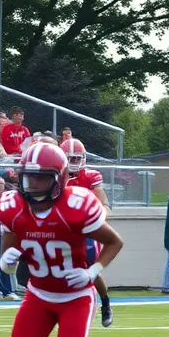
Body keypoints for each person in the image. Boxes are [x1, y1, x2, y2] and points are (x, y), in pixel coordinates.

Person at [0, 142, 124, 337]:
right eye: (29, 177)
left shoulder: (78, 204)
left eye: (41, 177)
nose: (33, 184)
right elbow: (6, 256)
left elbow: (114, 242)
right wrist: (7, 262)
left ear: (60, 178)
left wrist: (92, 272)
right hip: (38, 295)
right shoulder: (13, 205)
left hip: (76, 296)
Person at [62, 139, 113, 326]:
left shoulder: (90, 176)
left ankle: (105, 302)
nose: (75, 162)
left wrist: (99, 218)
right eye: (71, 158)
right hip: (62, 230)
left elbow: (104, 204)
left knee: (90, 267)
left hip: (86, 230)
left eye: (77, 158)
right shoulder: (57, 176)